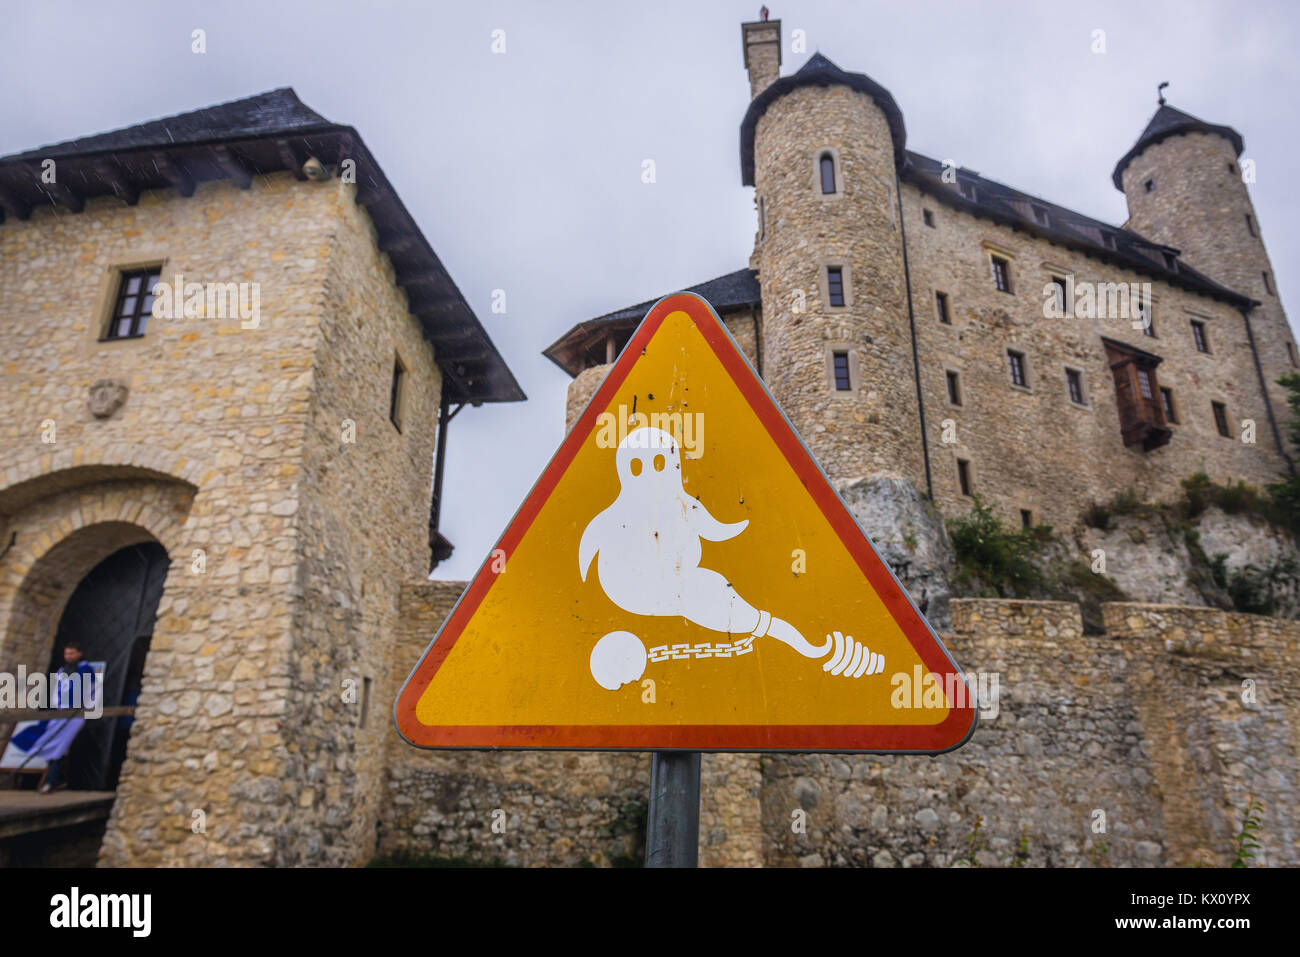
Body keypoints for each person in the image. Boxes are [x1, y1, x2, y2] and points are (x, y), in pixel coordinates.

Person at [22, 642, 97, 793]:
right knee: (54, 744)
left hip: (74, 714)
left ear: (79, 654)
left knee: (60, 744)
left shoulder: (86, 670)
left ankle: (52, 781)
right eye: (66, 654)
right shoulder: (62, 670)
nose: (69, 657)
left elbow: (88, 692)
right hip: (58, 712)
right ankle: (55, 779)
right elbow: (56, 690)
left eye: (72, 653)